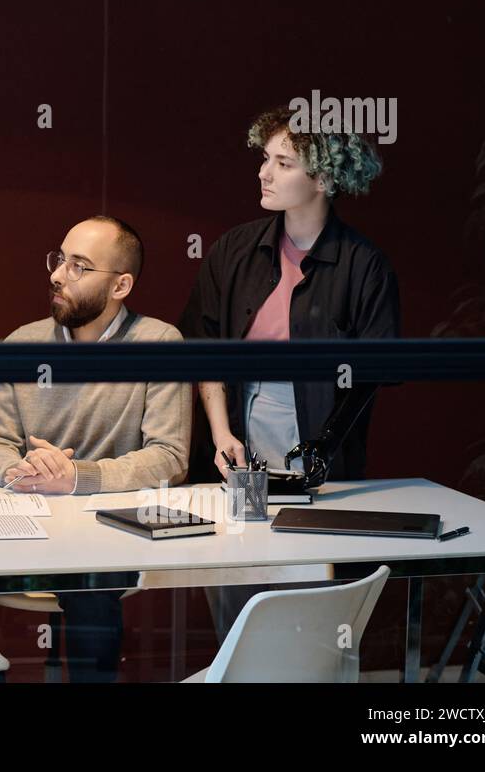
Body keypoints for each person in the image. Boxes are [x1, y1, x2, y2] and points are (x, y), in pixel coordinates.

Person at [178, 104, 400, 640]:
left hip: (318, 452)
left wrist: (324, 444)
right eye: (265, 157)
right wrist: (221, 432)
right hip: (235, 445)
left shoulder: (364, 264)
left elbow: (372, 373)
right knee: (236, 593)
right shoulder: (234, 248)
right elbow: (202, 350)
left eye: (283, 162)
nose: (264, 171)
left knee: (311, 604)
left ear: (323, 178)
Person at [0, 216, 192, 682]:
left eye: (78, 266)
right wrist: (23, 471)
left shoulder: (159, 343)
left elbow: (169, 456)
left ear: (121, 285)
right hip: (24, 521)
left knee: (91, 588)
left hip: (107, 534)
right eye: (59, 259)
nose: (56, 274)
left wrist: (76, 478)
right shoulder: (22, 344)